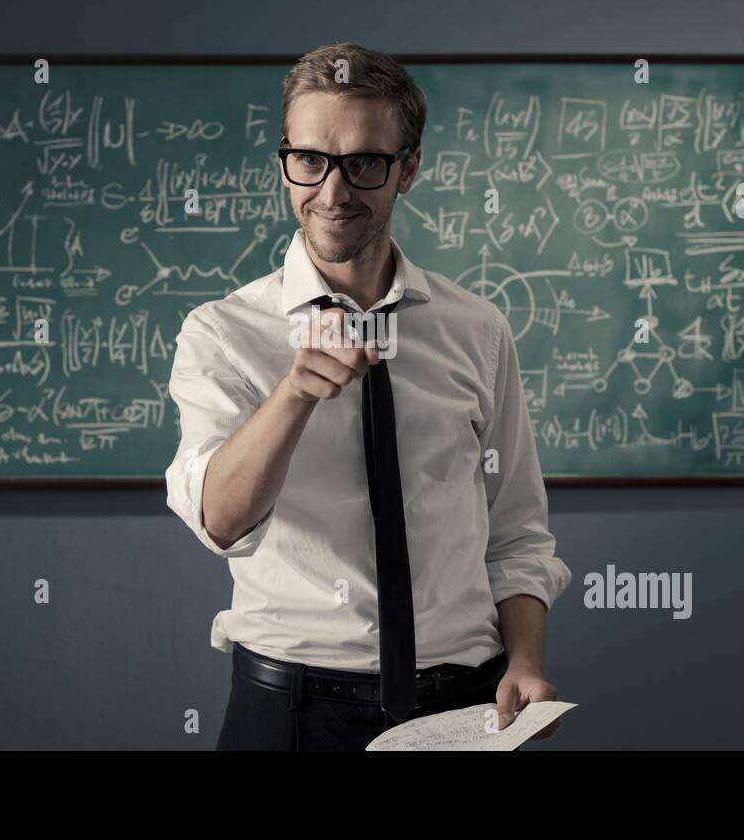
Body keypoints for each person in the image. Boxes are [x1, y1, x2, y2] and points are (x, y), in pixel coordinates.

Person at [165, 42, 571, 751]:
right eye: (311, 160)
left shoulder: (477, 329)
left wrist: (527, 660)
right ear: (285, 161)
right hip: (288, 715)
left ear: (408, 168)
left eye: (365, 164)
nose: (332, 191)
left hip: (467, 708)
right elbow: (221, 521)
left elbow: (516, 529)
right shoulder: (222, 334)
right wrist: (293, 392)